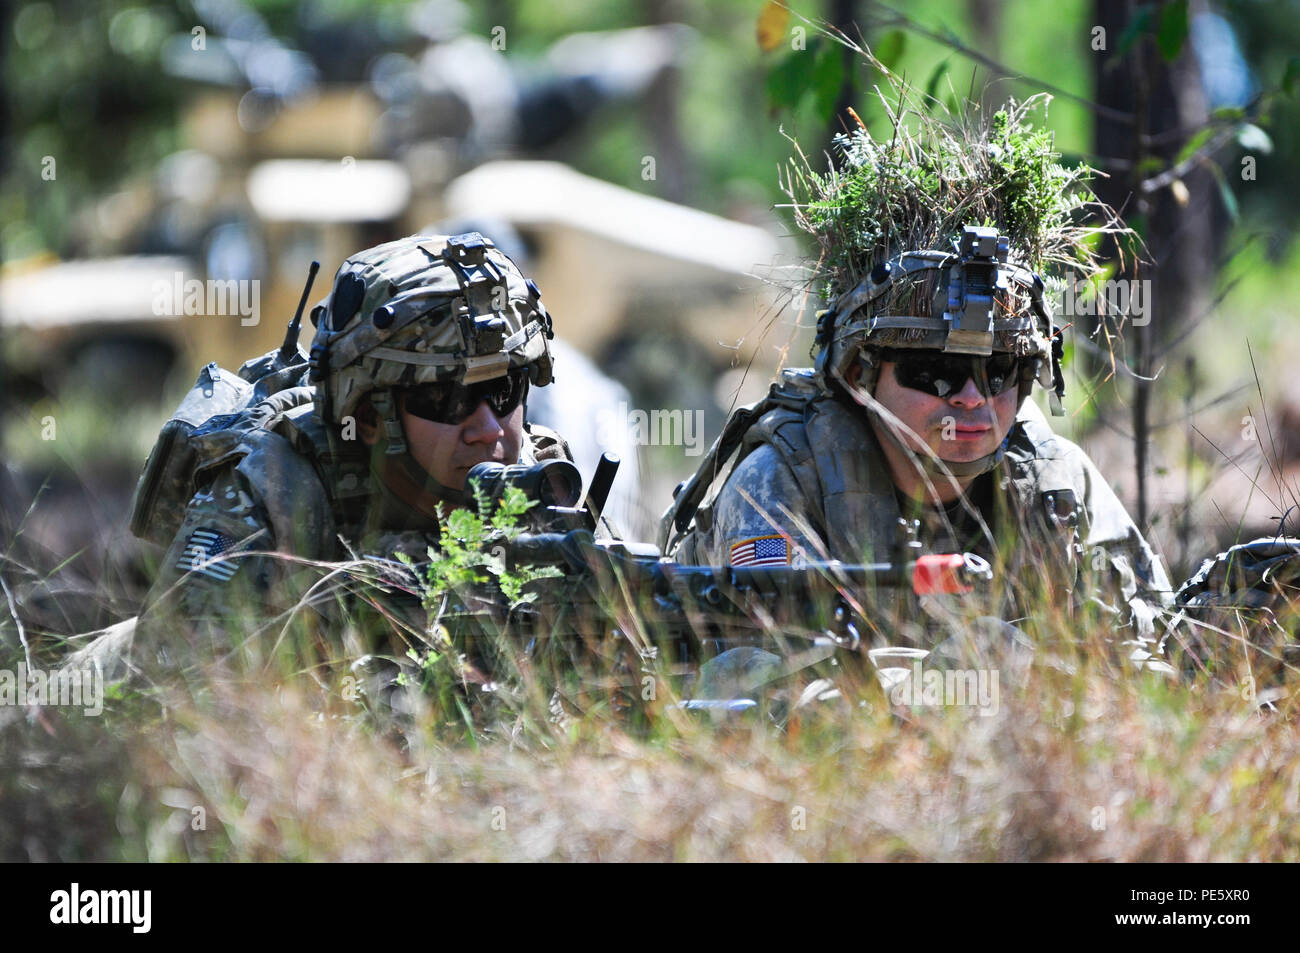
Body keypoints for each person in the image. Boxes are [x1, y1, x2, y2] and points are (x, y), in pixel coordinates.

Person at [661, 222, 1175, 677]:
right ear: (859, 377)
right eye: (936, 372)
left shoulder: (1056, 480)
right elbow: (777, 675)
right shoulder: (781, 481)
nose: (972, 398)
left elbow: (1148, 646)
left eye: (999, 371)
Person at [85, 232, 581, 680]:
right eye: (447, 399)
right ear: (369, 417)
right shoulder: (275, 486)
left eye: (505, 389)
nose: (489, 428)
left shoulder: (543, 476)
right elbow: (177, 686)